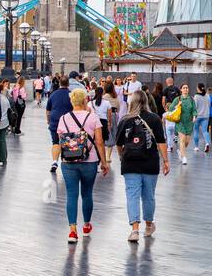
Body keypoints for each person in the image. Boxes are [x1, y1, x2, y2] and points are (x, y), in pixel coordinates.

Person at [56, 87, 109, 243]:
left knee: (71, 195)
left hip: (68, 161)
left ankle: (72, 231)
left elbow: (61, 141)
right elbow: (99, 142)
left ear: (72, 101)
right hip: (89, 161)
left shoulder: (63, 118)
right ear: (85, 100)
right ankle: (86, 225)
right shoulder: (93, 118)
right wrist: (104, 162)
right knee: (87, 194)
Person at [115, 90, 168, 242]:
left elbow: (119, 143)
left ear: (132, 102)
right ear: (146, 101)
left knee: (132, 195)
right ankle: (149, 225)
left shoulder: (125, 119)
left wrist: (121, 156)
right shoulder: (154, 119)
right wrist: (166, 161)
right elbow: (161, 141)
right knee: (148, 196)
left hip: (130, 162)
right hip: (150, 162)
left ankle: (135, 229)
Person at [46, 72, 76, 174]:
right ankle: (67, 161)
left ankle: (54, 162)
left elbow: (48, 110)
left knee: (55, 143)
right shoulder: (72, 95)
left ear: (59, 83)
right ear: (68, 84)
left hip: (55, 120)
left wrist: (48, 120)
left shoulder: (53, 94)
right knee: (68, 142)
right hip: (68, 122)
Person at [169, 83, 196, 165]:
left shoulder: (191, 99)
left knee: (187, 141)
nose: (185, 89)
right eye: (184, 88)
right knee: (182, 139)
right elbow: (170, 108)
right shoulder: (178, 99)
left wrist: (194, 116)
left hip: (189, 122)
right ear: (181, 90)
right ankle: (184, 158)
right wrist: (177, 105)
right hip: (180, 122)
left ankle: (180, 151)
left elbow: (194, 109)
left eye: (187, 88)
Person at [193, 83, 212, 153]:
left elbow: (194, 107)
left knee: (196, 131)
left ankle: (196, 147)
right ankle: (207, 143)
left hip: (198, 116)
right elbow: (209, 105)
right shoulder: (207, 96)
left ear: (198, 88)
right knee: (205, 131)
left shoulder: (196, 96)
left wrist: (193, 116)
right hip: (206, 116)